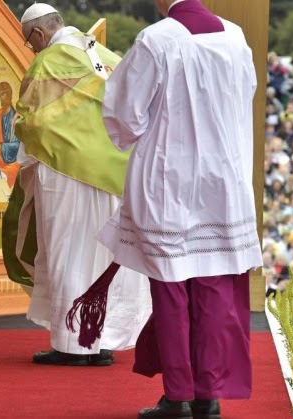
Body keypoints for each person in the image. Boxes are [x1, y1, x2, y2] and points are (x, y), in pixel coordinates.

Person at [69, 1, 262, 418]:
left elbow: (126, 118)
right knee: (213, 290)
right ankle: (208, 398)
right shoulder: (235, 37)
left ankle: (178, 396)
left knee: (172, 292)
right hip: (223, 181)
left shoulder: (156, 40)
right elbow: (244, 97)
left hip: (169, 180)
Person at [4, 3, 151, 368]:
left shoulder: (49, 61)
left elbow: (31, 122)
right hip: (113, 173)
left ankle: (72, 345)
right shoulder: (101, 53)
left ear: (38, 35)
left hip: (67, 172)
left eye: (29, 44)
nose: (32, 51)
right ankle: (98, 341)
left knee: (68, 251)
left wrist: (18, 134)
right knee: (102, 255)